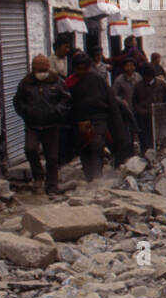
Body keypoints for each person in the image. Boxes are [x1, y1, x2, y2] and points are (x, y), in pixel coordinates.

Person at [12, 54, 71, 196]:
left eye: (43, 71)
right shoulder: (25, 83)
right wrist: (26, 112)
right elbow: (18, 101)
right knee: (30, 149)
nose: (41, 74)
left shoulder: (56, 81)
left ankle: (52, 186)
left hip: (51, 125)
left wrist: (57, 111)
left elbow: (66, 99)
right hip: (32, 124)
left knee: (52, 157)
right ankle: (38, 176)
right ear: (33, 70)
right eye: (38, 71)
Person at [67, 52, 125, 181]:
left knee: (97, 144)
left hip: (99, 118)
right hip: (79, 120)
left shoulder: (97, 80)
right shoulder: (71, 82)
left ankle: (97, 175)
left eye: (84, 68)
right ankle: (89, 176)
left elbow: (110, 100)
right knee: (83, 147)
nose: (81, 71)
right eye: (78, 68)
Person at [133, 63, 166, 155]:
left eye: (150, 76)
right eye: (146, 77)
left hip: (159, 118)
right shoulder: (138, 86)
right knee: (145, 139)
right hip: (144, 118)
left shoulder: (161, 84)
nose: (148, 79)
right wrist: (141, 111)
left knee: (159, 139)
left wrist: (161, 109)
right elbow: (134, 103)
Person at [112, 58, 142, 154]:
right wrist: (121, 100)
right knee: (127, 132)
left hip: (137, 107)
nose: (129, 68)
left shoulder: (138, 77)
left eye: (131, 65)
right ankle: (128, 152)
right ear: (124, 67)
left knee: (139, 129)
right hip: (125, 110)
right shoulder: (119, 80)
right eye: (127, 65)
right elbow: (113, 94)